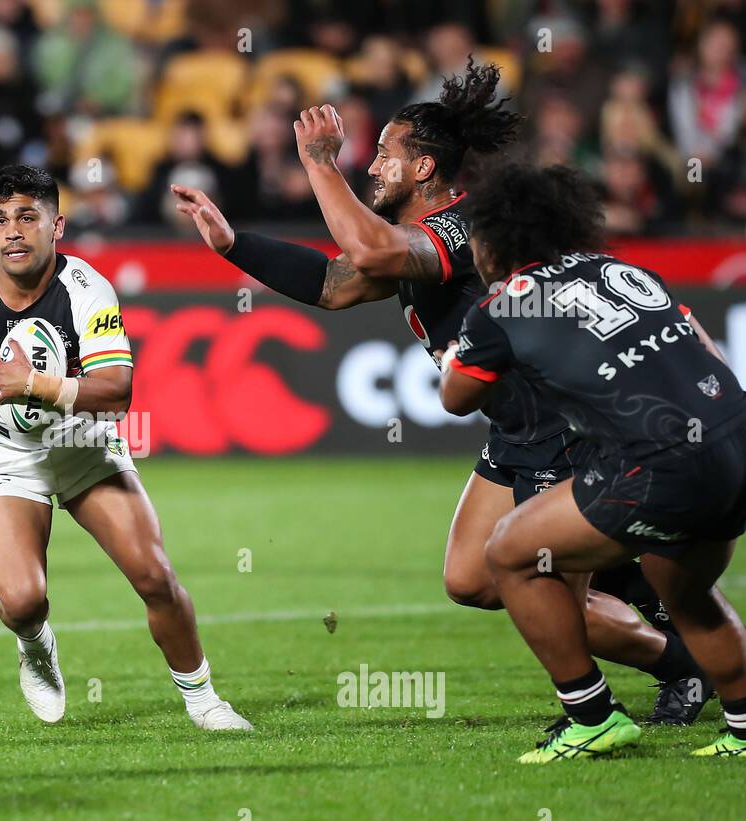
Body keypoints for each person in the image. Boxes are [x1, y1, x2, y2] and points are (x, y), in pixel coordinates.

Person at [172, 59, 711, 723]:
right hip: (515, 430)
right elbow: (334, 284)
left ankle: (660, 676)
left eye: (384, 155)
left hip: (558, 426)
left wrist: (318, 162)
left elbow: (369, 254)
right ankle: (645, 594)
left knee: (532, 583)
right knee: (470, 580)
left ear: (424, 168)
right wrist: (234, 245)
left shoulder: (463, 228)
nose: (371, 166)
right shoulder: (406, 239)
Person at [0, 164, 251, 731]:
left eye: (28, 217)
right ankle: (34, 644)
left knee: (154, 577)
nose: (13, 232)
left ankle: (203, 700)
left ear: (57, 226)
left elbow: (117, 393)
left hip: (79, 443)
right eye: (1, 220)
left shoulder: (85, 290)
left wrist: (37, 385)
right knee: (24, 600)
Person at [439, 163, 746, 761]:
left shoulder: (507, 302)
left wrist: (458, 353)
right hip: (736, 442)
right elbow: (703, 349)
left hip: (660, 464)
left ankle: (592, 715)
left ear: (494, 239)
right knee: (685, 594)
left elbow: (456, 398)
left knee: (509, 553)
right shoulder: (624, 270)